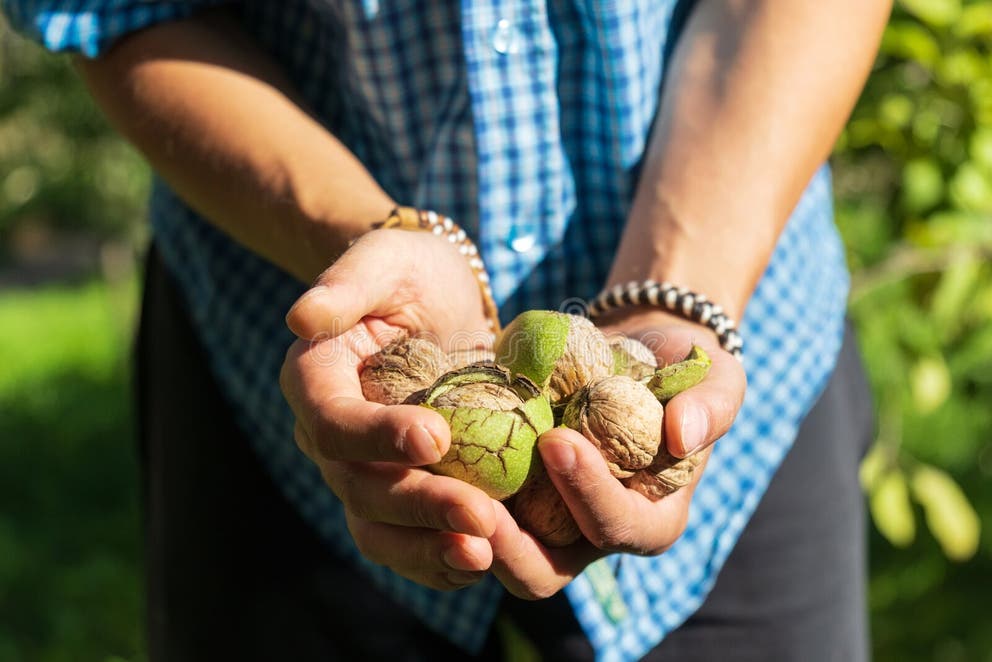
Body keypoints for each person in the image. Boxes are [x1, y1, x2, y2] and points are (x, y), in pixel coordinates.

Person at [4, 1, 889, 659]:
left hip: (738, 297)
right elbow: (122, 10)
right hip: (293, 353)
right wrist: (362, 238)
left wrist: (680, 286)